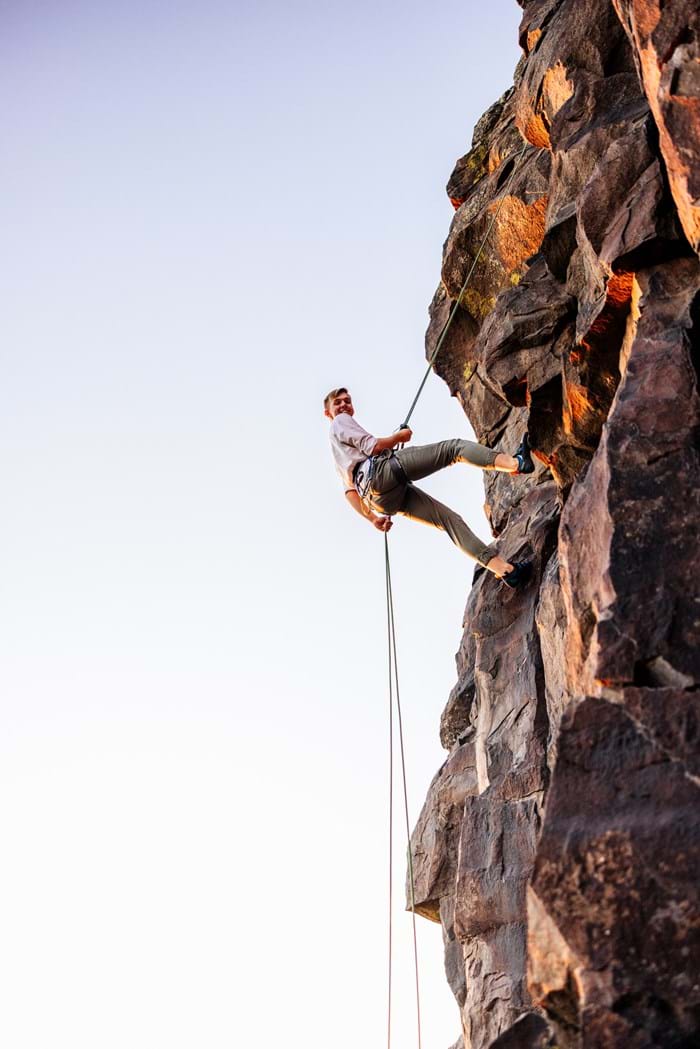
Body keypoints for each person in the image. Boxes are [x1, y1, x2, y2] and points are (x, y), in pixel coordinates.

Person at [324, 386, 534, 588]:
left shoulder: (338, 456)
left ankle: (507, 571)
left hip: (379, 500)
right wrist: (399, 437)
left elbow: (350, 493)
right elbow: (375, 446)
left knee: (449, 521)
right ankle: (515, 463)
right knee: (453, 449)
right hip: (382, 474)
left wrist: (373, 519)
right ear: (328, 413)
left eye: (347, 401)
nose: (344, 405)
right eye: (338, 402)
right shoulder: (341, 422)